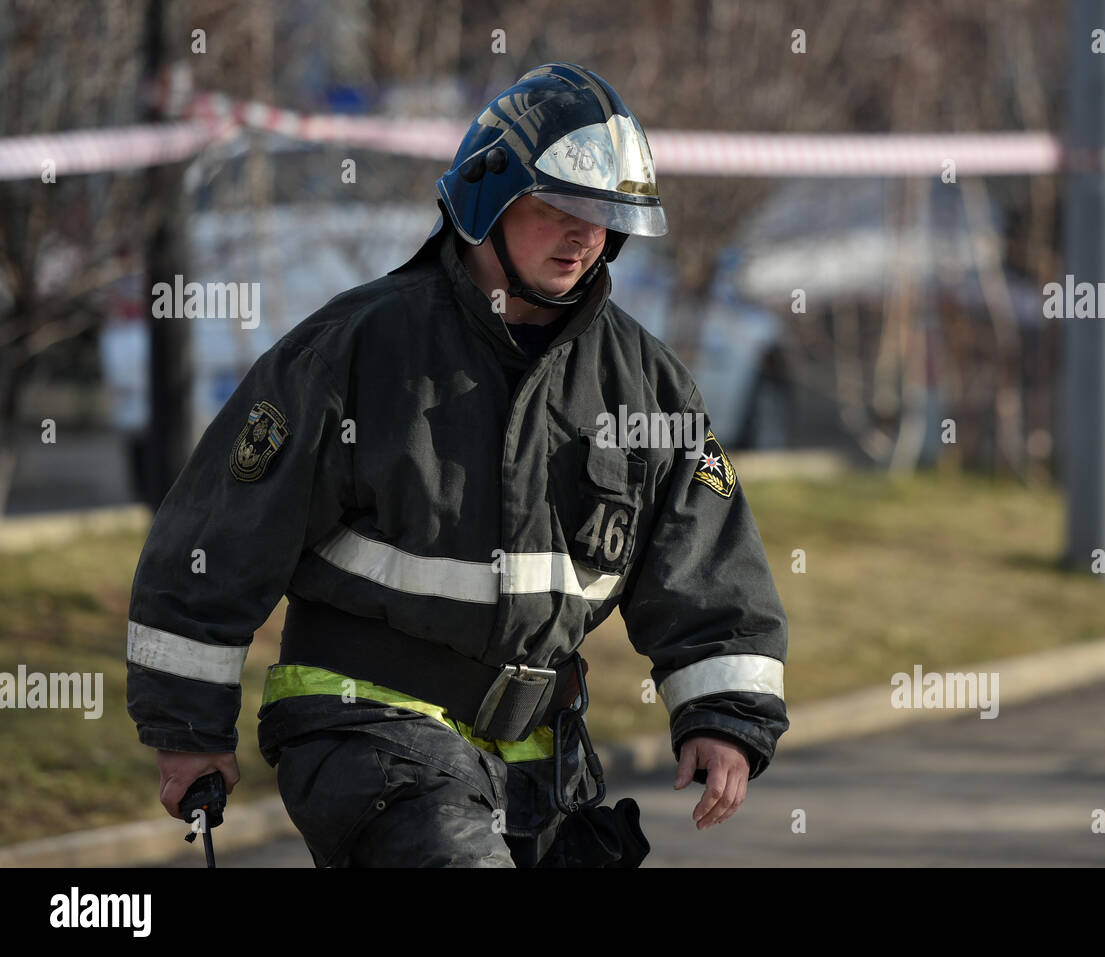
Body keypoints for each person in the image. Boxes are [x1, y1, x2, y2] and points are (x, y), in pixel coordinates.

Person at [126, 62, 788, 867]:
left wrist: (722, 713)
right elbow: (216, 534)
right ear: (490, 196)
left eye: (606, 218)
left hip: (539, 751)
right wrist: (187, 729)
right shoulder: (356, 352)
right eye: (559, 209)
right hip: (362, 723)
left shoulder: (643, 384)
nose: (586, 236)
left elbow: (706, 558)